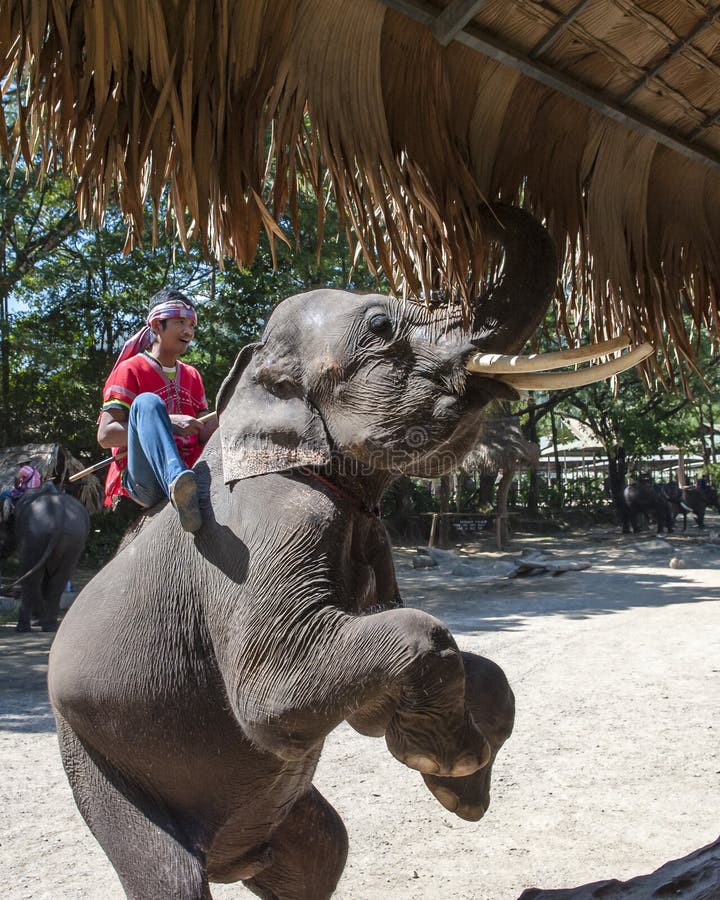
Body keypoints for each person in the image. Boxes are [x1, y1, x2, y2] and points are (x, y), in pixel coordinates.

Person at [96, 288, 218, 532]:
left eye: (192, 325)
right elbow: (105, 435)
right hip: (147, 480)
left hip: (193, 468)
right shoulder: (131, 369)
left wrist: (232, 413)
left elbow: (204, 431)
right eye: (180, 322)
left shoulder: (193, 375)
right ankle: (177, 484)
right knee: (146, 403)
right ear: (157, 325)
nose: (188, 331)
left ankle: (184, 485)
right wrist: (168, 423)